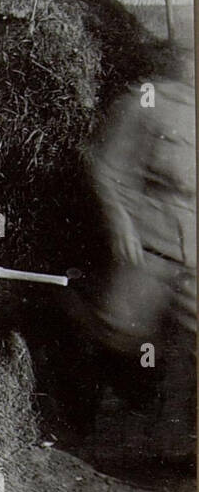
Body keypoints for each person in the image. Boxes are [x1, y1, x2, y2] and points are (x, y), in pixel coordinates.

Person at [89, 59, 196, 462]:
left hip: (194, 251)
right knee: (125, 338)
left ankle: (179, 446)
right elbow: (108, 166)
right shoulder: (150, 100)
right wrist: (121, 223)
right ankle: (112, 440)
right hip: (150, 243)